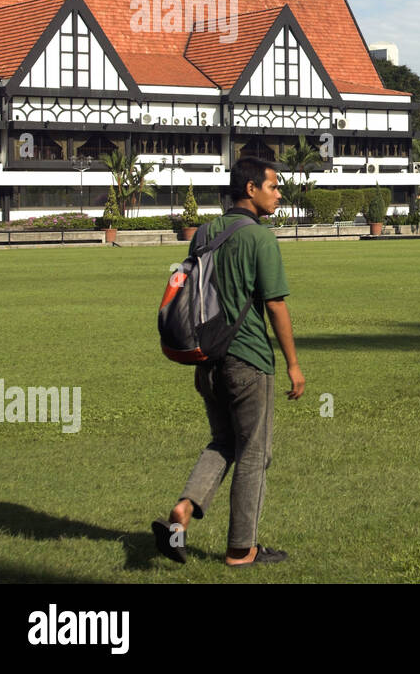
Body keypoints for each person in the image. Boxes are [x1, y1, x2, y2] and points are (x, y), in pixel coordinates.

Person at [152, 157, 305, 566]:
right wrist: (293, 364)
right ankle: (241, 548)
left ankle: (184, 510)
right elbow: (274, 304)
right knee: (254, 452)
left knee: (224, 442)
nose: (278, 194)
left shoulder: (204, 233)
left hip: (208, 360)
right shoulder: (259, 238)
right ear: (251, 189)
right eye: (273, 186)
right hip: (248, 360)